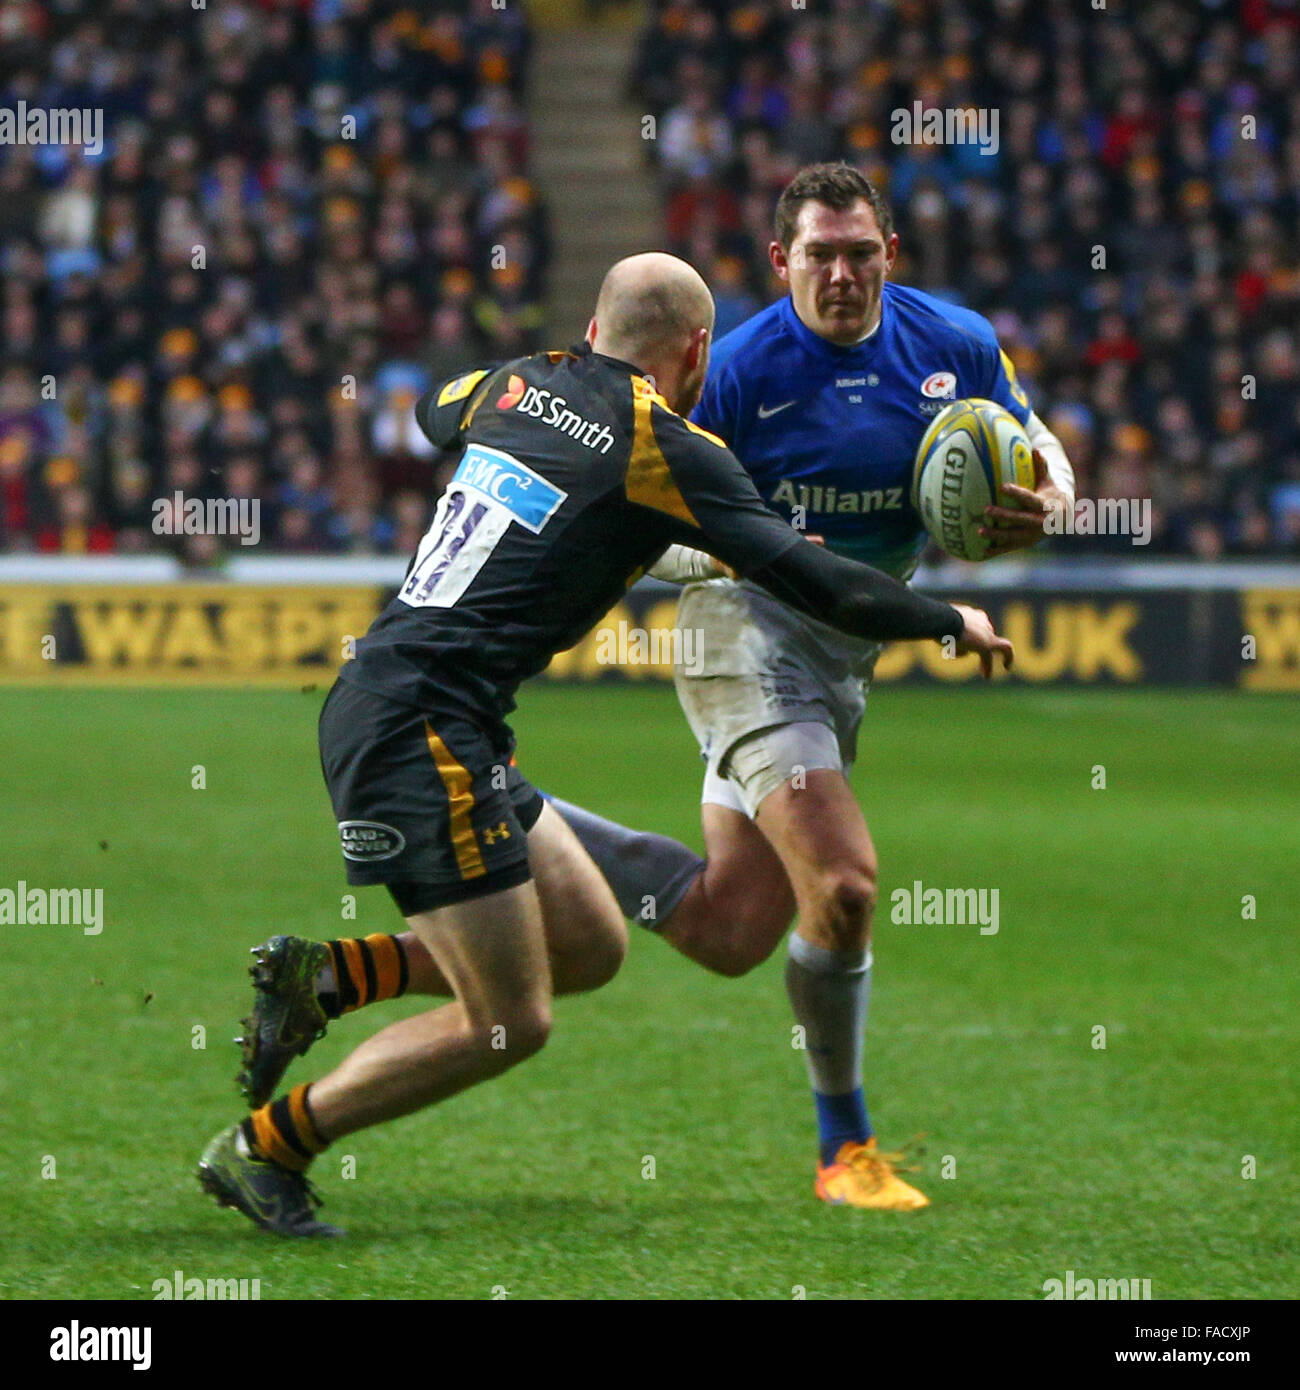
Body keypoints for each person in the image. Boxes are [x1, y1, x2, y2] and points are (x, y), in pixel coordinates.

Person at [196, 250, 1013, 1235]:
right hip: (422, 728)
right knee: (509, 1019)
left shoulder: (514, 380)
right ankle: (266, 1148)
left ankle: (326, 977)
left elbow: (430, 414)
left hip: (422, 708)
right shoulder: (662, 448)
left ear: (593, 329)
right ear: (697, 351)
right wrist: (943, 616)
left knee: (588, 942)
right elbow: (820, 582)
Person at [394, 164, 1073, 1213]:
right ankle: (844, 1148)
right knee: (843, 884)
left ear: (890, 253)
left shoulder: (956, 344)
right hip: (745, 632)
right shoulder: (740, 369)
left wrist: (1048, 497)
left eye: (860, 253)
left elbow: (1034, 448)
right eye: (819, 255)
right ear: (781, 261)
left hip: (849, 642)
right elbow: (637, 517)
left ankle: (521, 814)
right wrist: (721, 560)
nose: (841, 274)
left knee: (729, 925)